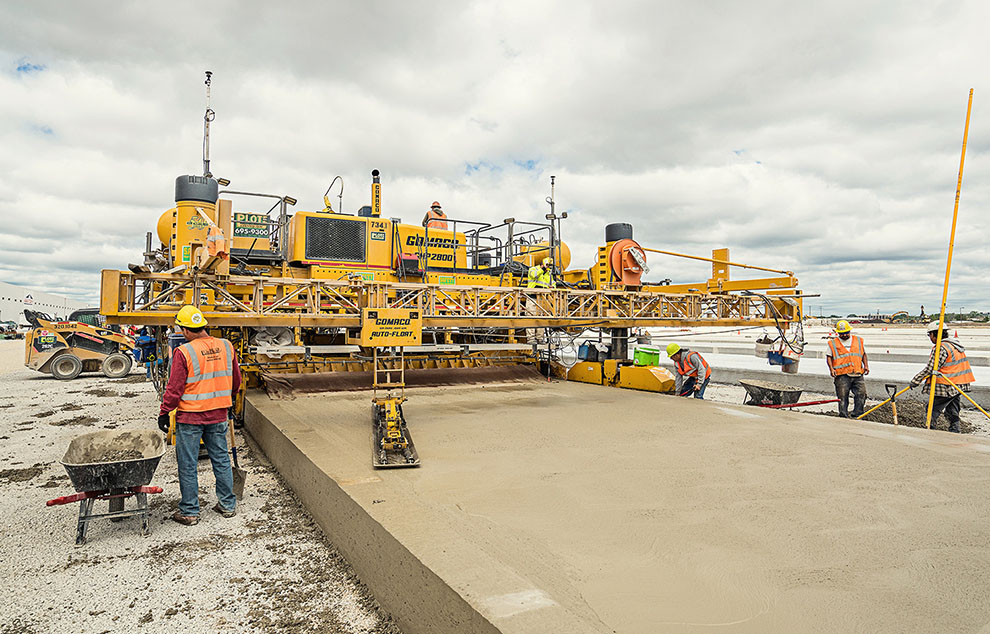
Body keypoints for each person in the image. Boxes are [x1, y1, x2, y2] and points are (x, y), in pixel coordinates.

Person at [157, 305, 240, 525]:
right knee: (221, 459)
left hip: (191, 417)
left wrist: (164, 412)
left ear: (185, 330)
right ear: (203, 325)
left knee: (188, 464)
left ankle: (190, 511)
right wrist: (229, 400)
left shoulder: (184, 352)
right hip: (219, 414)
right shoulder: (226, 346)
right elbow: (236, 380)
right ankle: (227, 505)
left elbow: (174, 388)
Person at [909, 320, 975, 433]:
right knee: (952, 409)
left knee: (932, 409)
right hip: (958, 385)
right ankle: (955, 430)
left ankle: (929, 431)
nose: (930, 338)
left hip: (946, 386)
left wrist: (915, 381)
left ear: (934, 334)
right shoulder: (954, 345)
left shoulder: (941, 348)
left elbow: (931, 368)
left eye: (930, 335)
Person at [826, 320, 869, 418]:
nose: (844, 335)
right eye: (842, 333)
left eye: (846, 332)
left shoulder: (858, 340)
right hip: (842, 374)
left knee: (861, 393)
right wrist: (831, 369)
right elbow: (829, 357)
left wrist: (866, 366)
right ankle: (843, 415)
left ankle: (857, 414)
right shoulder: (833, 343)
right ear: (838, 332)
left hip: (857, 372)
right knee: (842, 397)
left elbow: (863, 354)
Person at [525, 257, 554, 344]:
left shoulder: (548, 274)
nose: (548, 267)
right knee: (531, 318)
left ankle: (539, 338)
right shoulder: (533, 269)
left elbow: (553, 283)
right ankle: (531, 339)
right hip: (532, 298)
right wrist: (542, 269)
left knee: (541, 319)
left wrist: (553, 287)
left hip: (542, 299)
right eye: (548, 265)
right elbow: (534, 275)